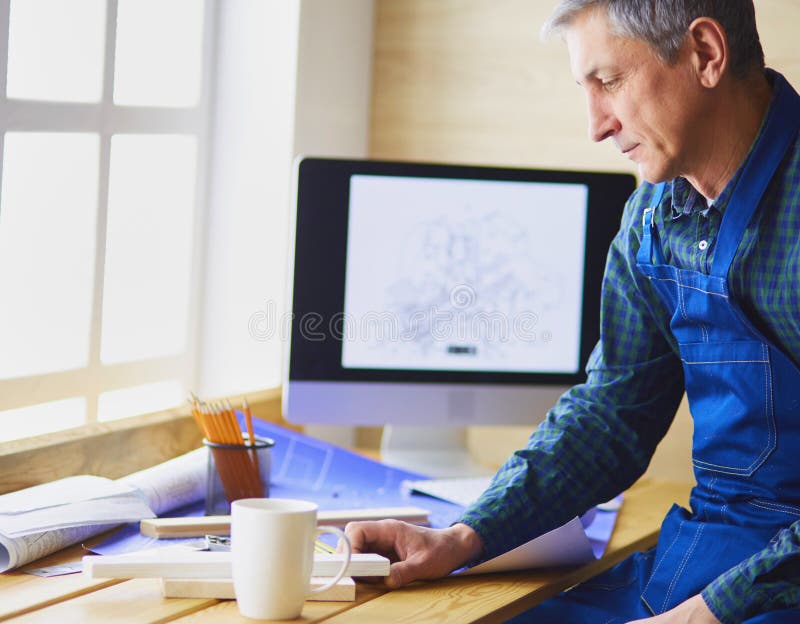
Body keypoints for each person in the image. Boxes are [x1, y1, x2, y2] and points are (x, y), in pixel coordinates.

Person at [343, 1, 800, 622]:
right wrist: (462, 538)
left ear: (706, 55)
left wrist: (707, 613)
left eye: (609, 82)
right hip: (707, 556)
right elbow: (611, 415)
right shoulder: (651, 220)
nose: (596, 126)